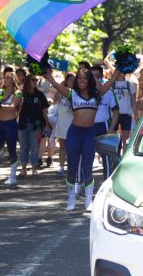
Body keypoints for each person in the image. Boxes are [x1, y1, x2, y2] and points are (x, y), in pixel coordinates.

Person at [45, 68, 109, 210]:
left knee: (88, 168)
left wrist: (120, 67)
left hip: (89, 134)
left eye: (85, 78)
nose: (81, 81)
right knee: (72, 168)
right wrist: (48, 75)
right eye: (79, 78)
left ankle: (88, 201)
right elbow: (56, 85)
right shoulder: (72, 94)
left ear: (89, 81)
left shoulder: (97, 94)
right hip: (74, 133)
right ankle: (71, 199)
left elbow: (110, 82)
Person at [17, 73, 49, 181]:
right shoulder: (21, 94)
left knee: (35, 146)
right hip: (22, 123)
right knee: (23, 147)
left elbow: (45, 109)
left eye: (36, 80)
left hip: (36, 124)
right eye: (33, 80)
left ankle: (34, 167)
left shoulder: (40, 94)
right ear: (27, 81)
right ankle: (23, 168)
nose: (35, 82)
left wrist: (47, 123)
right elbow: (16, 109)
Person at [52, 72, 75, 177]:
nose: (72, 82)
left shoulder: (77, 93)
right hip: (62, 122)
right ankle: (61, 167)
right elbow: (54, 100)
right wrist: (60, 86)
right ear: (66, 81)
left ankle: (71, 167)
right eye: (70, 80)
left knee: (72, 147)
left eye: (74, 80)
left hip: (72, 123)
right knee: (62, 146)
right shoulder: (62, 92)